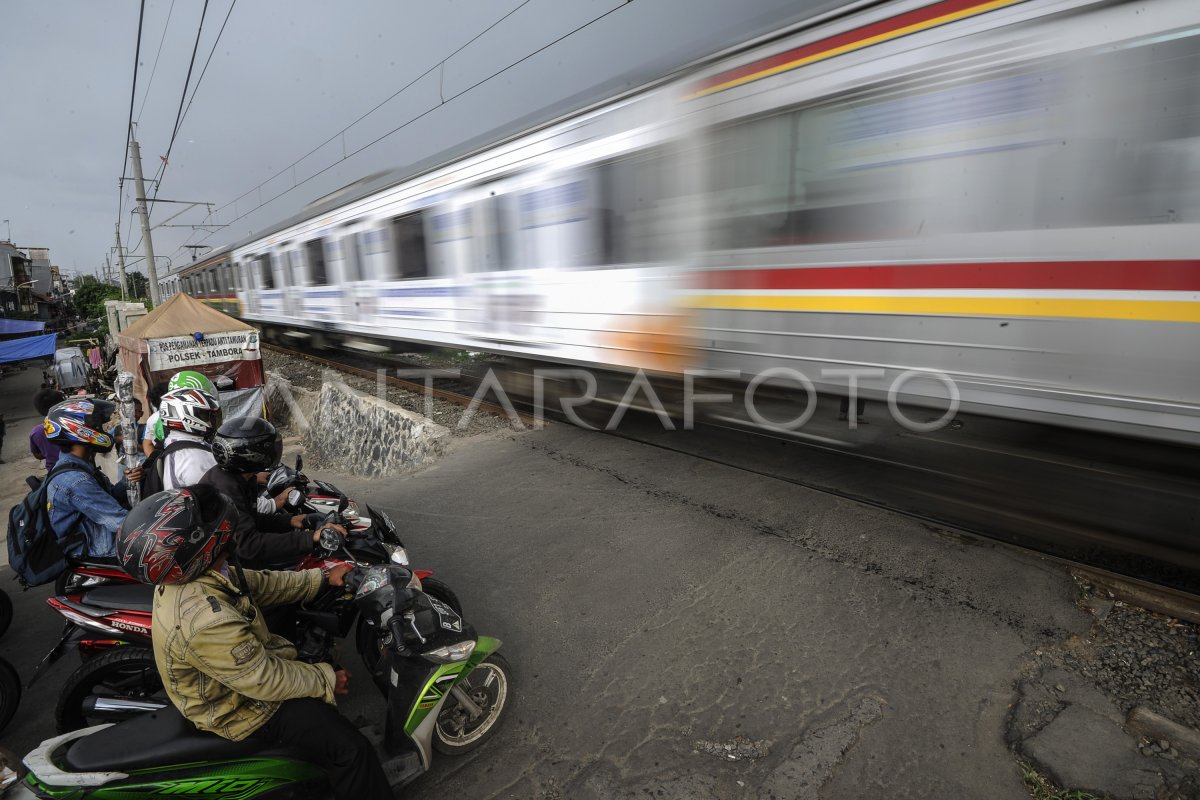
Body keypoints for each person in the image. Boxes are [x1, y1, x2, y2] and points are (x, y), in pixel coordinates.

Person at [116, 487, 391, 800]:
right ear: (199, 544)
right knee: (353, 750)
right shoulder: (206, 618)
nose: (230, 529)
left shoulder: (201, 575)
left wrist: (321, 579)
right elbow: (265, 681)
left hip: (239, 681)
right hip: (239, 709)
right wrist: (326, 678)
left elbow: (262, 583)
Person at [200, 416, 344, 569]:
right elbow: (248, 545)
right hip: (225, 570)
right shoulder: (225, 488)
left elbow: (249, 520)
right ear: (251, 456)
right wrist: (309, 538)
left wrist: (291, 521)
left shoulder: (235, 478)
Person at [43, 398, 144, 560]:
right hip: (98, 548)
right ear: (79, 430)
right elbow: (118, 520)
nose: (102, 431)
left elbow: (109, 497)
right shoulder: (76, 480)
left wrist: (128, 480)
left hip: (98, 537)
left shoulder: (78, 465)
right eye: (96, 426)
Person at [157, 387, 221, 491]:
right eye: (204, 414)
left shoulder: (174, 442)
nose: (212, 419)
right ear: (184, 415)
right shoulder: (193, 455)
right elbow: (218, 490)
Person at [30, 388, 66, 470]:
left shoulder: (37, 432)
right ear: (61, 403)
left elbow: (38, 455)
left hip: (54, 472)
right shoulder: (73, 423)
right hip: (83, 468)